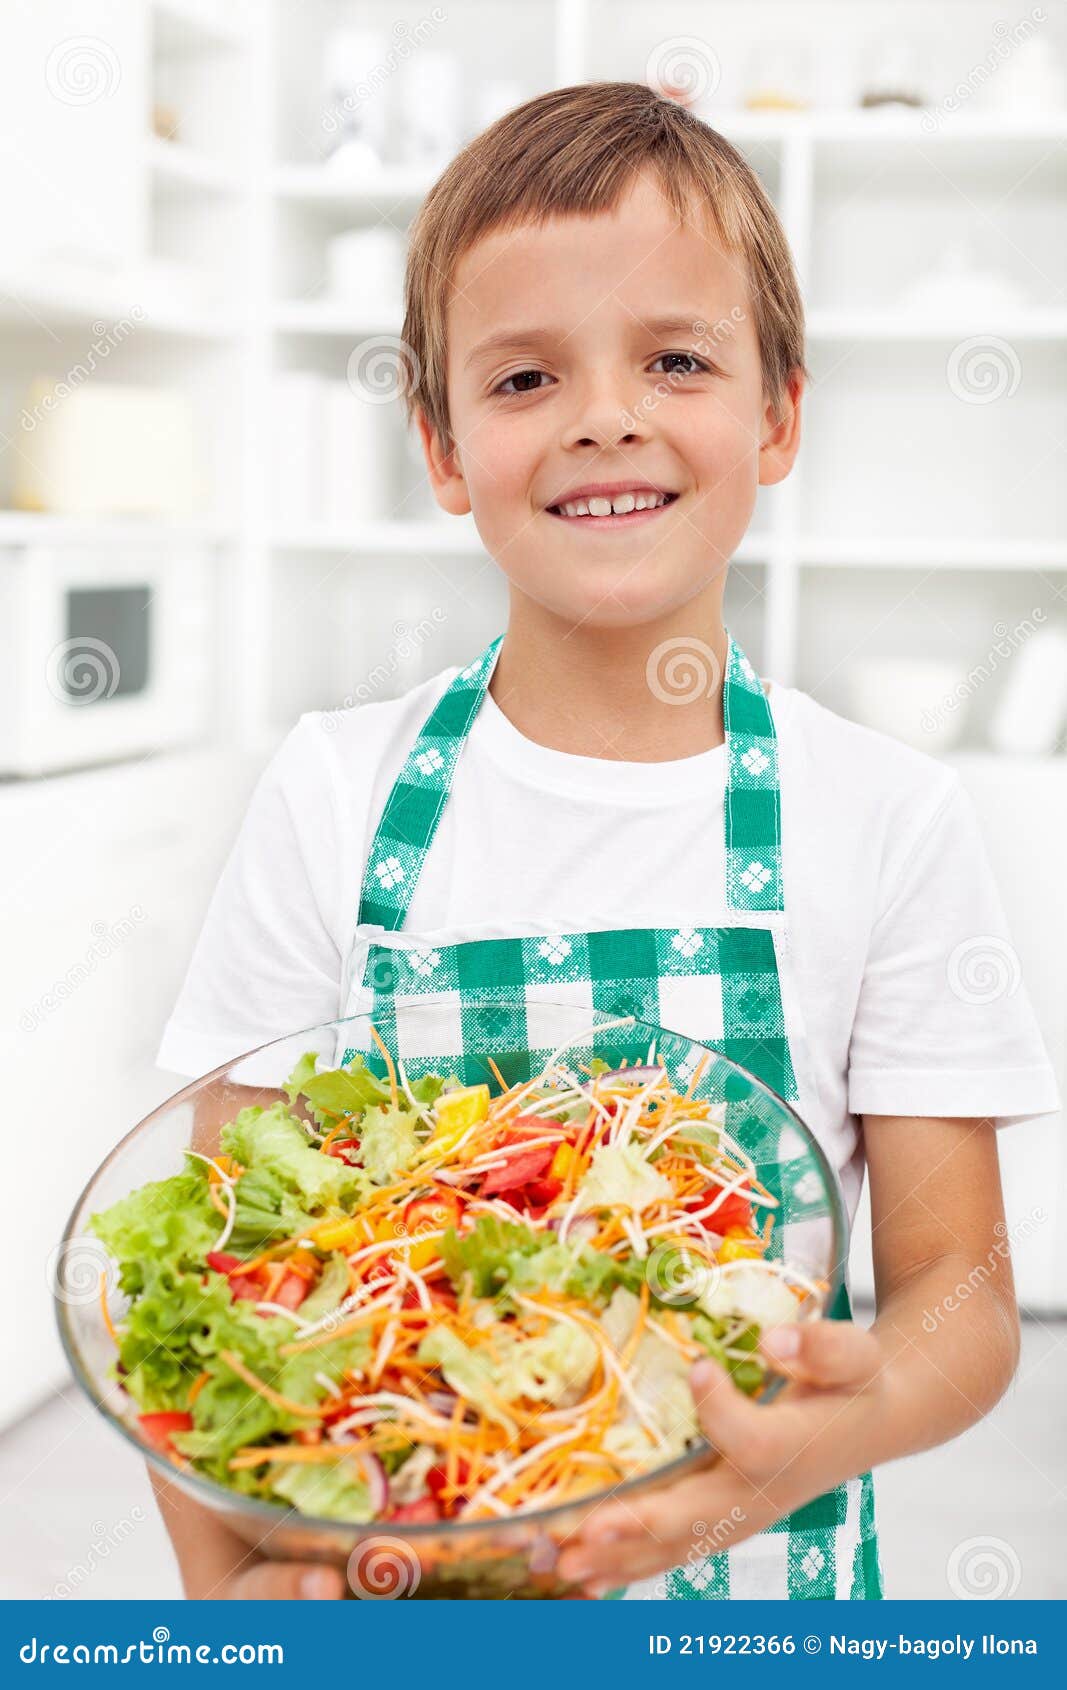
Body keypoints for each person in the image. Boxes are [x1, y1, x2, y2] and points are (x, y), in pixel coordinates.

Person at [154, 82, 1059, 1600]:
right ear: (442, 448)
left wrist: (832, 1427)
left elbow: (956, 1303)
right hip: (417, 1589)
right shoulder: (334, 795)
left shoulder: (886, 817)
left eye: (677, 358)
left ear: (776, 415)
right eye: (522, 381)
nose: (603, 416)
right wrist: (237, 1587)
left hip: (756, 1600)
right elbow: (216, 1284)